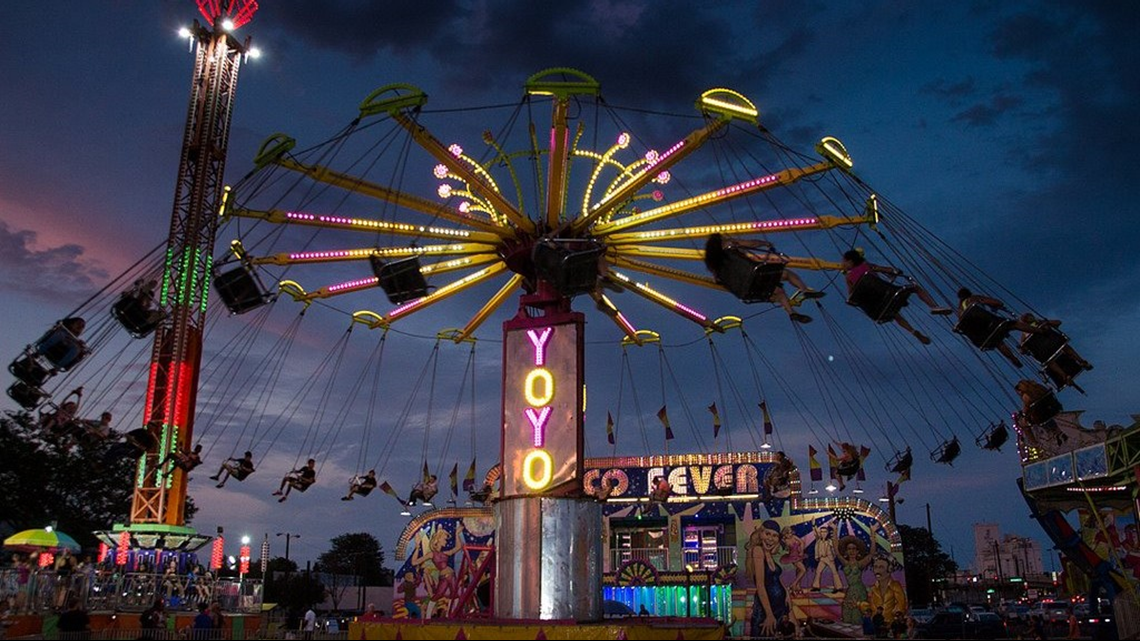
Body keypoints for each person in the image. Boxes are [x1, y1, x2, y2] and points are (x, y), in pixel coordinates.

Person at [704, 234, 824, 323]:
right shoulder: (729, 244)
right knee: (787, 274)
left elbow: (717, 281)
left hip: (744, 290)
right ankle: (804, 290)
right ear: (720, 240)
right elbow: (751, 244)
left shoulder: (714, 265)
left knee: (778, 291)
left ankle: (792, 313)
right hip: (754, 276)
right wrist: (764, 243)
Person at [841, 249, 950, 344]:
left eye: (844, 262)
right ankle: (934, 307)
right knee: (915, 288)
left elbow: (851, 296)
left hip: (875, 308)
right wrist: (894, 271)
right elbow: (888, 270)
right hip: (889, 294)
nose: (842, 264)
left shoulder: (848, 277)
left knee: (894, 314)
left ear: (850, 262)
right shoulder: (867, 266)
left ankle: (912, 331)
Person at [955, 287, 1042, 367]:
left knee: (998, 342)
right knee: (1013, 324)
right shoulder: (974, 298)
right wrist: (987, 303)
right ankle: (1040, 330)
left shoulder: (960, 312)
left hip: (980, 335)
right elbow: (997, 302)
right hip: (990, 323)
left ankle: (1013, 358)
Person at [747, 520, 790, 638]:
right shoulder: (758, 550)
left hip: (778, 608)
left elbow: (775, 579)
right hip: (766, 609)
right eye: (768, 534)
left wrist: (786, 595)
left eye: (775, 535)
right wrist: (769, 614)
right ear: (760, 534)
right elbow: (760, 585)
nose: (771, 538)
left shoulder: (768, 554)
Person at [837, 536, 872, 625]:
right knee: (847, 612)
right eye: (849, 549)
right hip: (850, 590)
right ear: (846, 551)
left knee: (857, 613)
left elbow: (871, 554)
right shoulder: (846, 563)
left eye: (854, 549)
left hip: (859, 590)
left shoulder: (860, 564)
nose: (851, 551)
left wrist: (873, 537)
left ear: (857, 551)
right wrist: (834, 530)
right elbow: (837, 553)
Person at [811, 519, 840, 591]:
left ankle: (838, 587)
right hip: (822, 558)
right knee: (818, 572)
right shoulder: (818, 541)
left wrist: (835, 529)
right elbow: (815, 532)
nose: (823, 533)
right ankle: (816, 586)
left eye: (824, 532)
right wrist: (814, 525)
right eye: (821, 532)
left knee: (834, 572)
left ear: (827, 533)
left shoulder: (830, 541)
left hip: (829, 558)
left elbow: (836, 540)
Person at [780, 526, 807, 593]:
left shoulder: (794, 537)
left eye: (791, 533)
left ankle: (798, 587)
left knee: (798, 571)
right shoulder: (786, 541)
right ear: (785, 534)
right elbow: (787, 548)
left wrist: (801, 551)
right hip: (793, 557)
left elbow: (802, 542)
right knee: (803, 570)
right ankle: (793, 584)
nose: (790, 534)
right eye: (788, 533)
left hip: (799, 555)